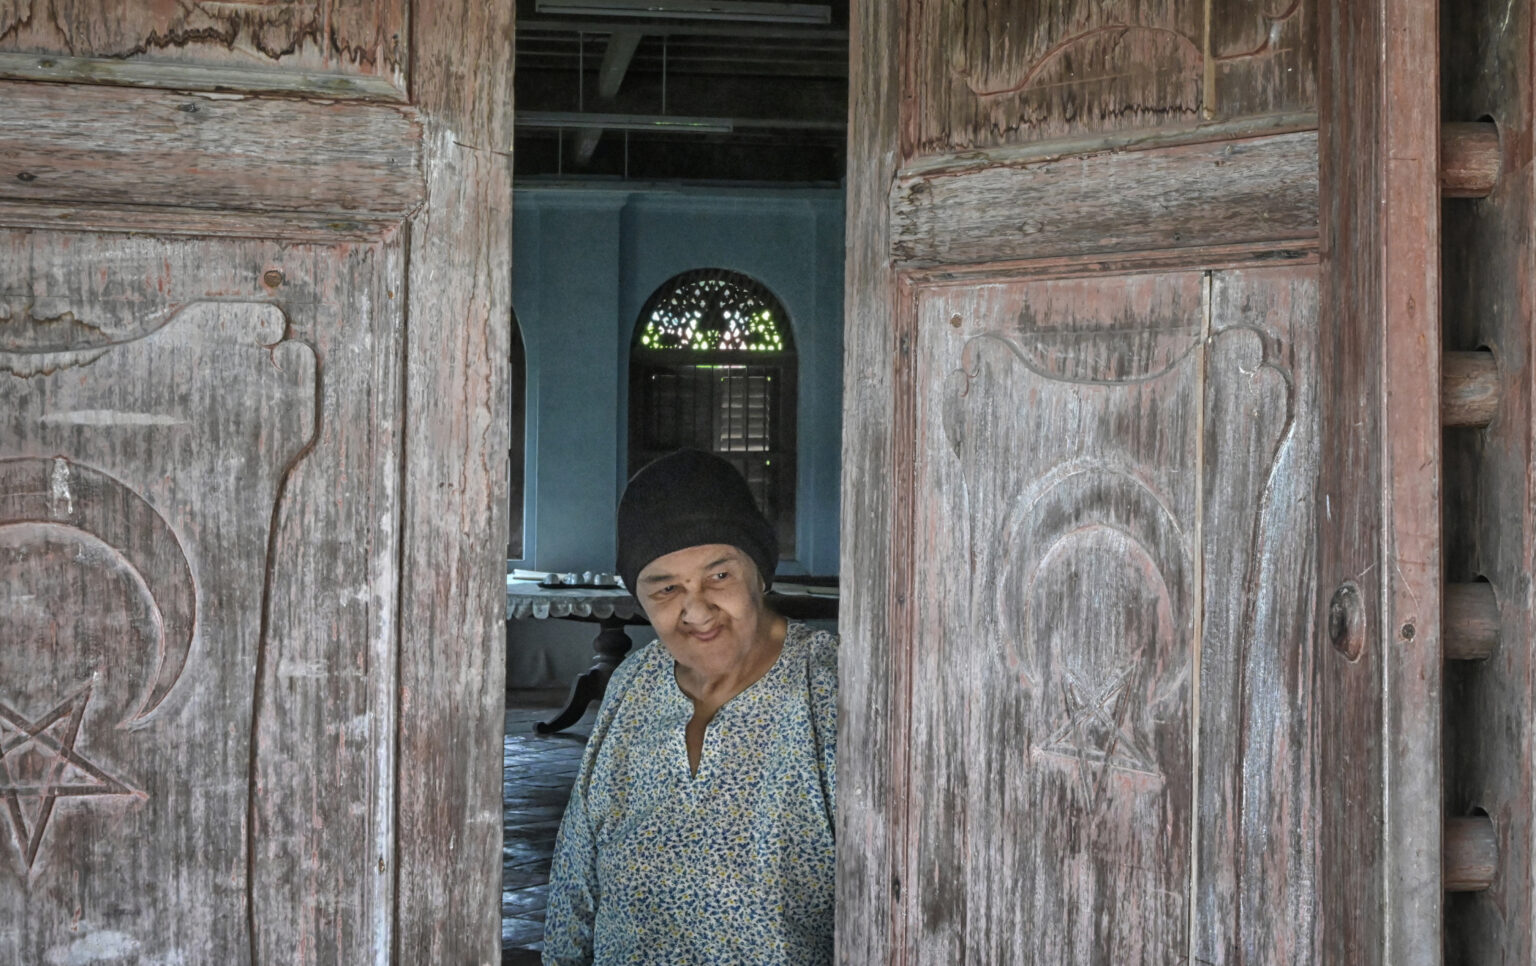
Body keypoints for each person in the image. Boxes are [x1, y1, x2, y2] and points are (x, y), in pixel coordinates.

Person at [543, 449, 837, 966]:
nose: (696, 611)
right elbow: (577, 868)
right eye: (666, 588)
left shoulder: (832, 686)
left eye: (719, 577)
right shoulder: (633, 682)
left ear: (760, 573)